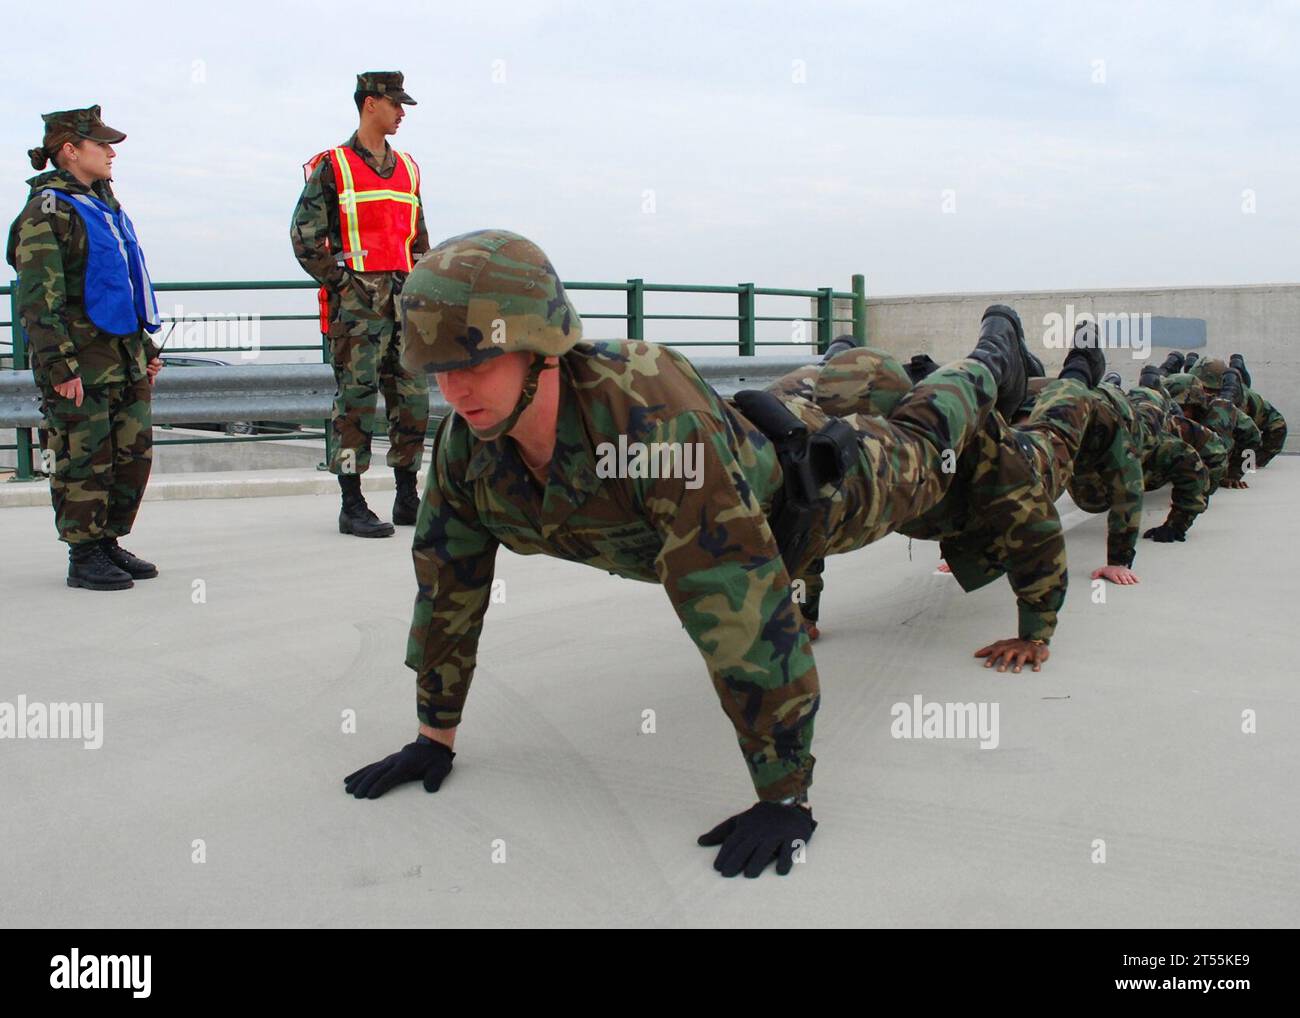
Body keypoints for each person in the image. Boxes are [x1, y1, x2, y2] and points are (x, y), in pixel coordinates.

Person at [343, 229, 1041, 879]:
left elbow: (738, 606)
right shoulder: (469, 451)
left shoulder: (647, 421)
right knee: (818, 396)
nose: (455, 388)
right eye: (440, 369)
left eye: (476, 362)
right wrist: (434, 736)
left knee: (924, 442)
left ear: (541, 347)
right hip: (749, 437)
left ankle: (992, 356)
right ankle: (847, 363)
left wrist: (784, 796)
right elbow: (447, 592)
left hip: (824, 495)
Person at [5, 106, 163, 590]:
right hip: (80, 361)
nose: (112, 151)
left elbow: (122, 285)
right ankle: (83, 552)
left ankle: (109, 540)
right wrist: (59, 366)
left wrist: (144, 346)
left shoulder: (102, 204)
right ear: (71, 150)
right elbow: (38, 301)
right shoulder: (45, 213)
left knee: (130, 454)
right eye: (101, 144)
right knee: (83, 455)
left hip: (123, 356)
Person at [292, 71, 430, 537]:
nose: (402, 113)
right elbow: (305, 238)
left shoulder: (409, 168)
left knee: (411, 401)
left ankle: (408, 497)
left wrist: (423, 288)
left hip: (403, 306)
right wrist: (344, 284)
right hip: (357, 311)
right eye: (395, 103)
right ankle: (352, 503)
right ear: (371, 103)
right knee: (355, 404)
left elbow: (419, 242)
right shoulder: (334, 166)